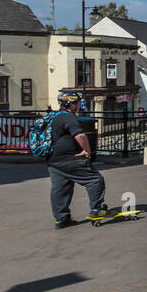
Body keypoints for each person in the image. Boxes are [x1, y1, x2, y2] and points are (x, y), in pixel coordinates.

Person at [48, 93, 108, 229]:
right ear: (71, 104)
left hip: (53, 160)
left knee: (61, 188)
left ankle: (61, 218)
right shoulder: (68, 117)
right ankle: (96, 210)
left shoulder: (54, 116)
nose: (80, 105)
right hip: (71, 159)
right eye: (79, 103)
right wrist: (87, 151)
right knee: (95, 180)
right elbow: (80, 135)